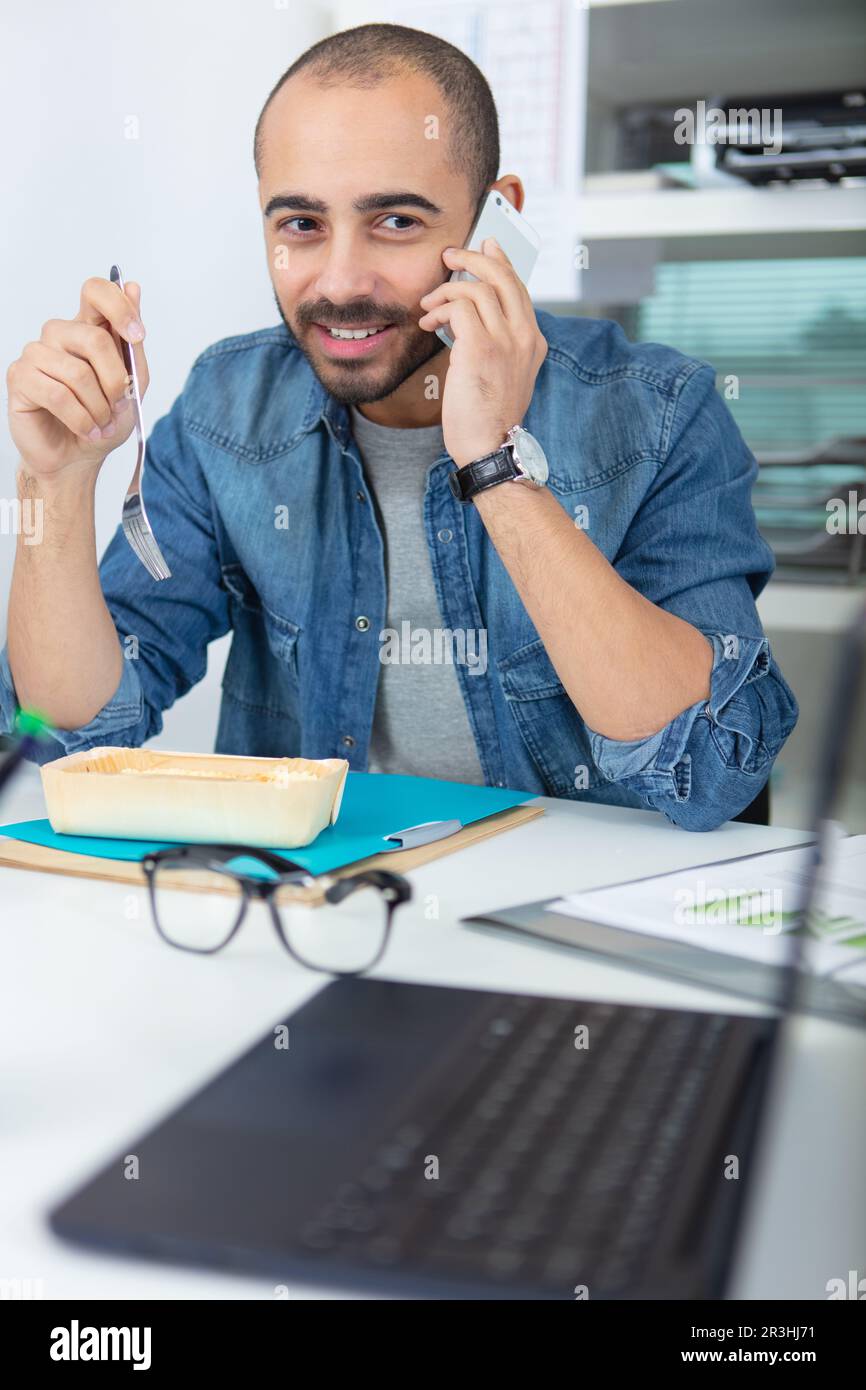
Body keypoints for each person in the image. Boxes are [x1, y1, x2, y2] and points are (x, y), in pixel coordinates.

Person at [0, 23, 798, 831]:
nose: (341, 281)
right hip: (321, 916)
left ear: (497, 222)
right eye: (302, 226)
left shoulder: (659, 412)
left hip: (567, 933)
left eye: (396, 222)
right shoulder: (225, 409)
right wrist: (55, 483)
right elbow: (70, 737)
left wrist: (493, 462)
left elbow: (707, 768)